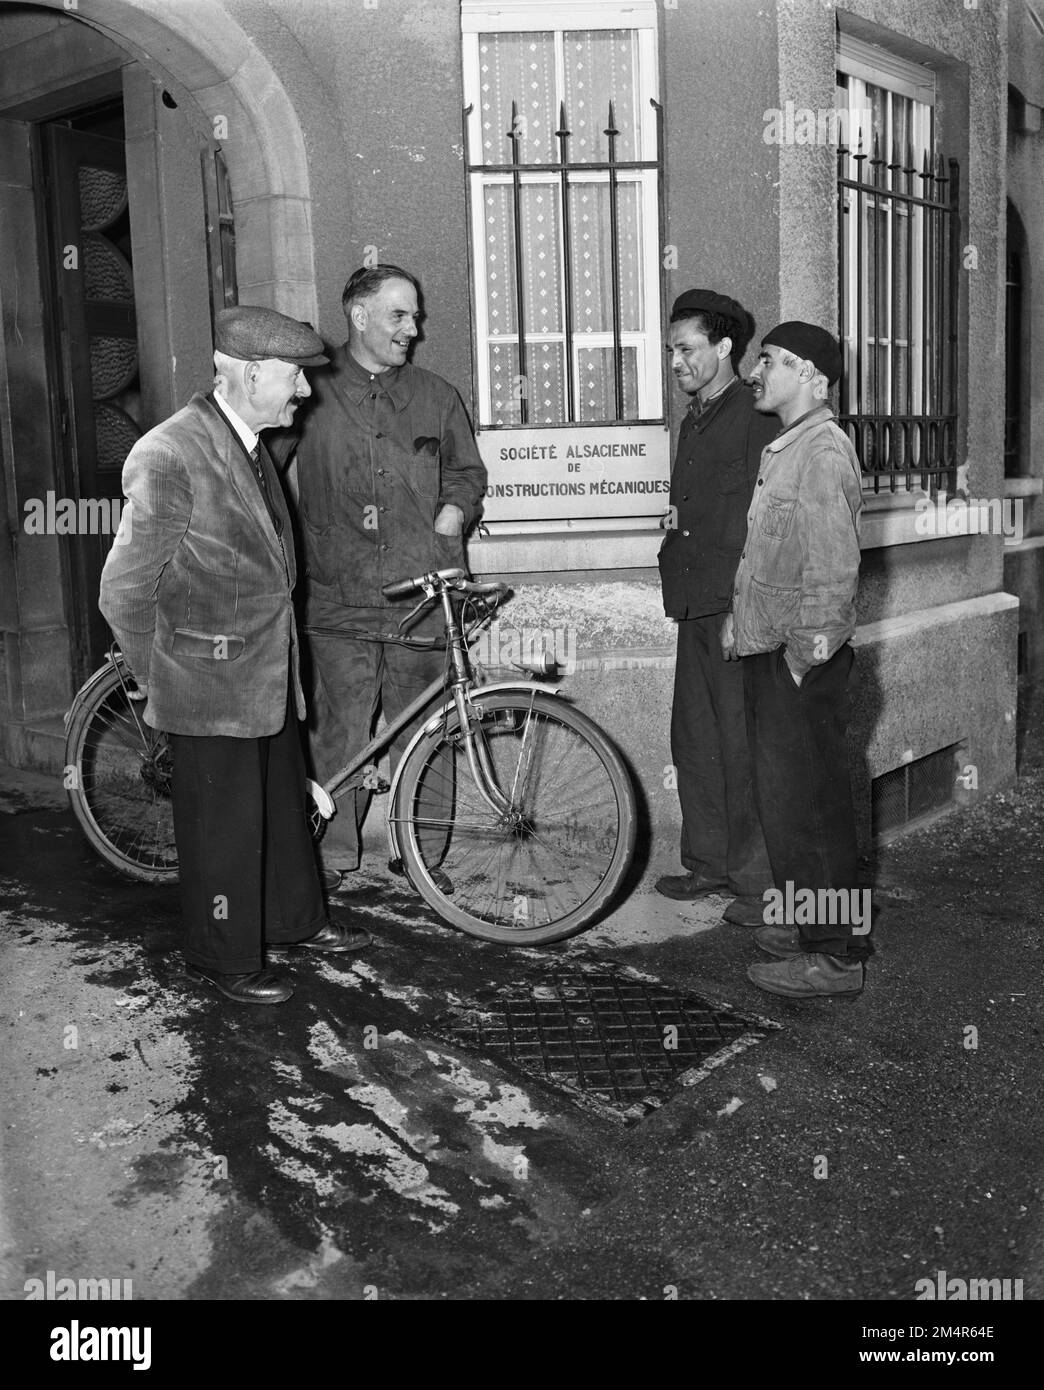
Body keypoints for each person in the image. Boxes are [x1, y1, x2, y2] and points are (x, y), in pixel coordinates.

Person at [99, 306, 372, 1006]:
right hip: (209, 687)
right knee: (225, 833)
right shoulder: (170, 453)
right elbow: (124, 591)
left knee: (281, 810)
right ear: (251, 374)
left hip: (267, 673)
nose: (305, 392)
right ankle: (221, 957)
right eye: (294, 377)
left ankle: (292, 922)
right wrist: (169, 689)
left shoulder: (249, 444)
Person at [290, 264, 487, 878]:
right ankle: (333, 853)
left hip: (423, 600)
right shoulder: (308, 392)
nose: (413, 327)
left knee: (429, 732)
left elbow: (467, 473)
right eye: (400, 314)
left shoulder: (436, 395)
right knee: (337, 732)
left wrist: (452, 515)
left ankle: (423, 858)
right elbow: (260, 471)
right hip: (337, 597)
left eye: (416, 314)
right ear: (359, 316)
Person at [721, 322, 866, 998]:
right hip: (771, 651)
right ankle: (800, 921)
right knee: (784, 806)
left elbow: (834, 574)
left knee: (813, 811)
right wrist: (738, 622)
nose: (755, 371)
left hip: (800, 661)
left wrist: (804, 661)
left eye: (769, 360)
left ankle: (835, 959)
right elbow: (771, 558)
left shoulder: (823, 453)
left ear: (810, 373)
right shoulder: (786, 448)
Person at [656, 289, 776, 920]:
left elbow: (768, 523)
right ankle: (708, 864)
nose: (676, 361)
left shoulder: (758, 417)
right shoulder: (694, 420)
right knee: (695, 738)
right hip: (694, 602)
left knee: (743, 743)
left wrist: (745, 607)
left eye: (687, 349)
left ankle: (758, 884)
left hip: (738, 609)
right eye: (671, 350)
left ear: (726, 347)